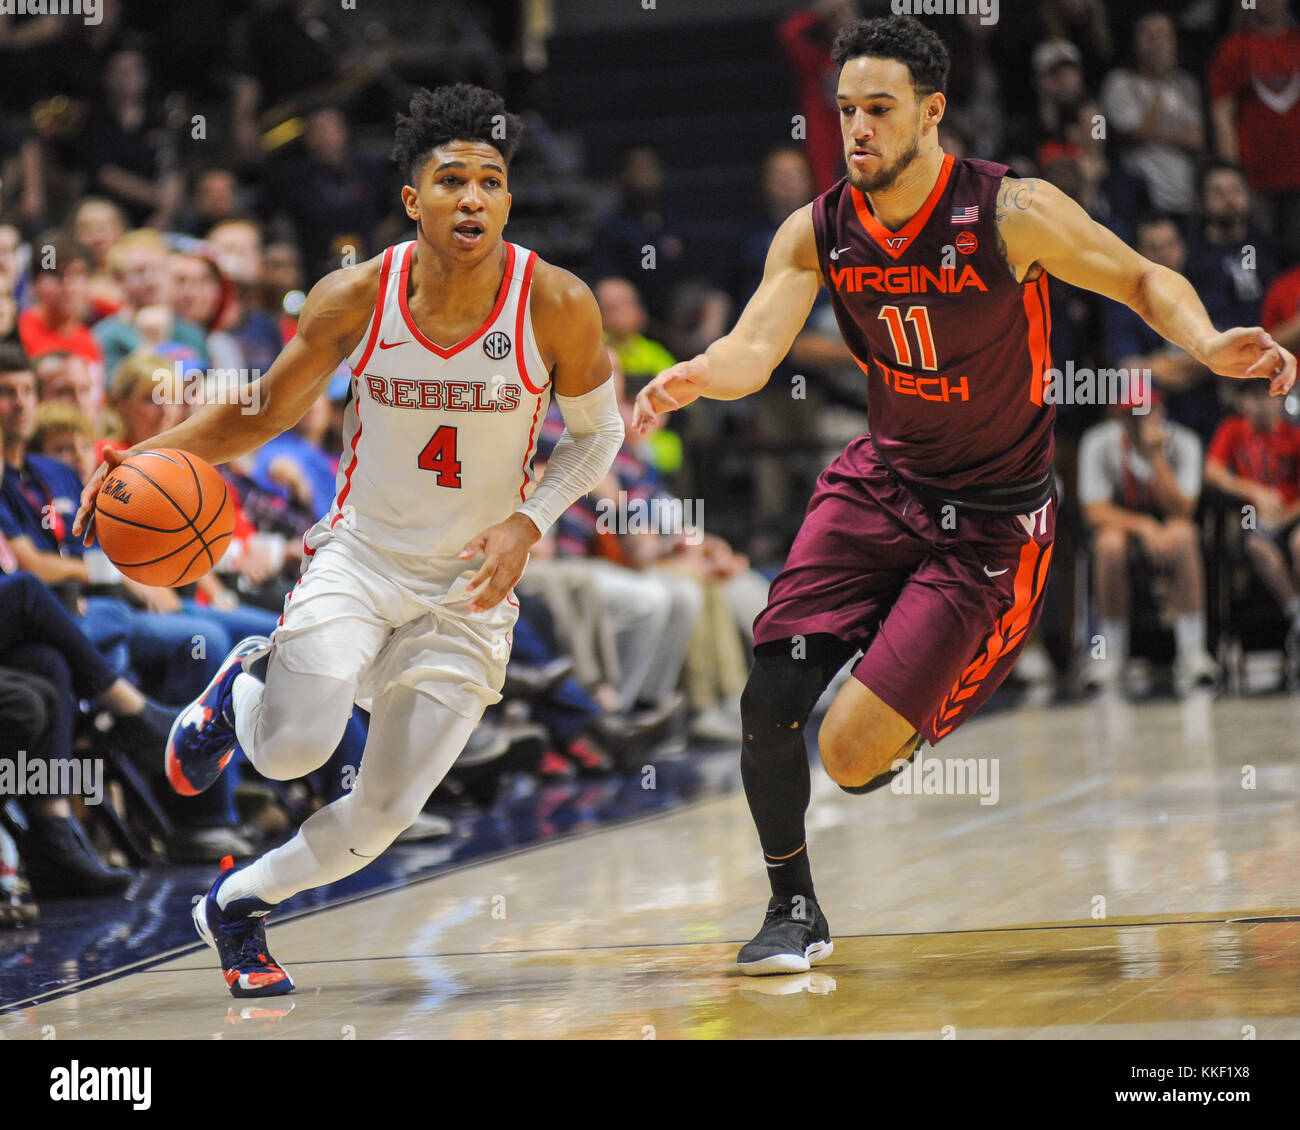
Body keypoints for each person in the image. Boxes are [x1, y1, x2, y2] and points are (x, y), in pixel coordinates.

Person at [633, 15, 1296, 976]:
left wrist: (1204, 342)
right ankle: (794, 908)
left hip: (992, 523)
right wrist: (697, 373)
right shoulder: (817, 227)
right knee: (771, 687)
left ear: (932, 112)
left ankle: (907, 690)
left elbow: (1144, 278)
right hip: (882, 482)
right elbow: (752, 348)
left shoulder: (1009, 210)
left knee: (851, 758)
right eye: (845, 109)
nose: (855, 129)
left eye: (878, 110)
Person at [74, 84, 624, 998]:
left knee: (376, 822)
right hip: (363, 557)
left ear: (509, 201)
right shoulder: (356, 296)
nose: (474, 198)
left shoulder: (554, 302)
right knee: (291, 750)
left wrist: (529, 522)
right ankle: (247, 678)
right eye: (452, 180)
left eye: (491, 181)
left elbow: (600, 434)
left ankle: (236, 905)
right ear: (413, 200)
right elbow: (256, 414)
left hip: (470, 593)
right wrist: (140, 453)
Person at [1077, 392, 1213, 691]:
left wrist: (1156, 455)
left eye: (1147, 413)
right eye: (1132, 415)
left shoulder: (1185, 442)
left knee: (1184, 534)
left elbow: (1183, 510)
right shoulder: (1098, 442)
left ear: (1161, 411)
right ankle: (1110, 653)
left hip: (1170, 526)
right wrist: (1144, 527)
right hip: (1124, 526)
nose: (1140, 422)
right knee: (1108, 544)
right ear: (1119, 417)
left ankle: (1192, 652)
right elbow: (1094, 511)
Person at [1205, 380, 1300, 667]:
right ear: (1240, 401)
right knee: (1258, 545)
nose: (1260, 402)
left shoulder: (1292, 435)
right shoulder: (1233, 430)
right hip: (1252, 520)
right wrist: (1253, 491)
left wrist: (1286, 514)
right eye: (1252, 395)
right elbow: (1212, 472)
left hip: (1292, 518)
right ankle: (1297, 617)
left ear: (1279, 399)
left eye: (1267, 395)